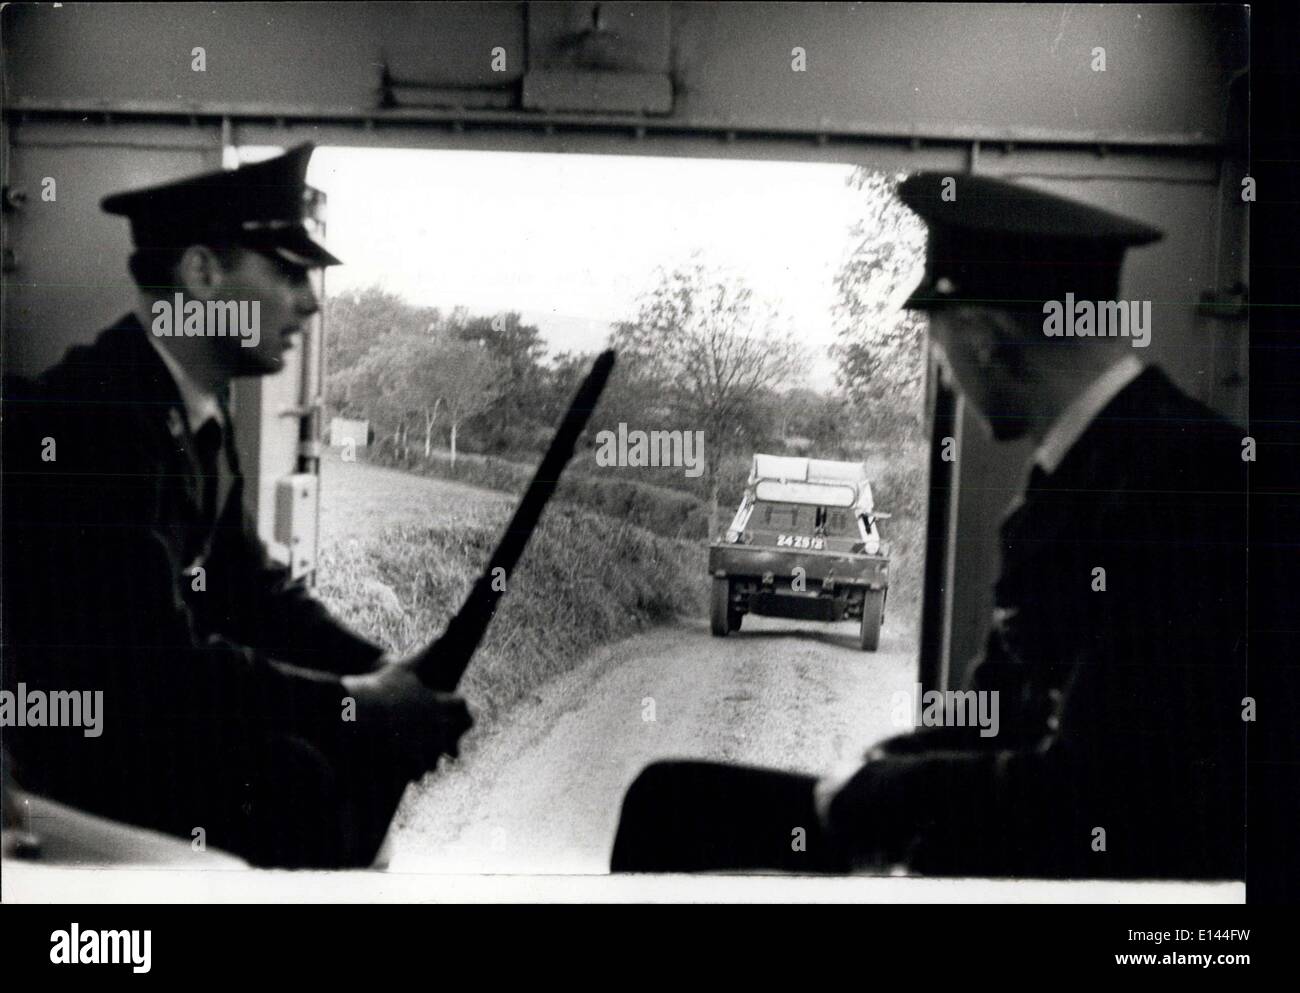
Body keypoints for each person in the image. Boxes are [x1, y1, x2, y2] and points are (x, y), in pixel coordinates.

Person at [609, 174, 1247, 879]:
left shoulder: (1188, 483)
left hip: (1107, 873)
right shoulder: (1084, 470)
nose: (948, 384)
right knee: (668, 803)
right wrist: (896, 759)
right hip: (1026, 826)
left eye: (941, 359)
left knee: (671, 813)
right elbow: (996, 706)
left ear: (986, 340)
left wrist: (895, 791)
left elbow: (1108, 793)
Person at [2, 144, 472, 868]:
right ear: (201, 274)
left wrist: (384, 671)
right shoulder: (95, 421)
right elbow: (153, 662)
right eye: (287, 272)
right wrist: (355, 700)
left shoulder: (192, 405)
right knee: (299, 784)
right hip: (58, 758)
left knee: (321, 773)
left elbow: (251, 589)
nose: (310, 301)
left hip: (135, 735)